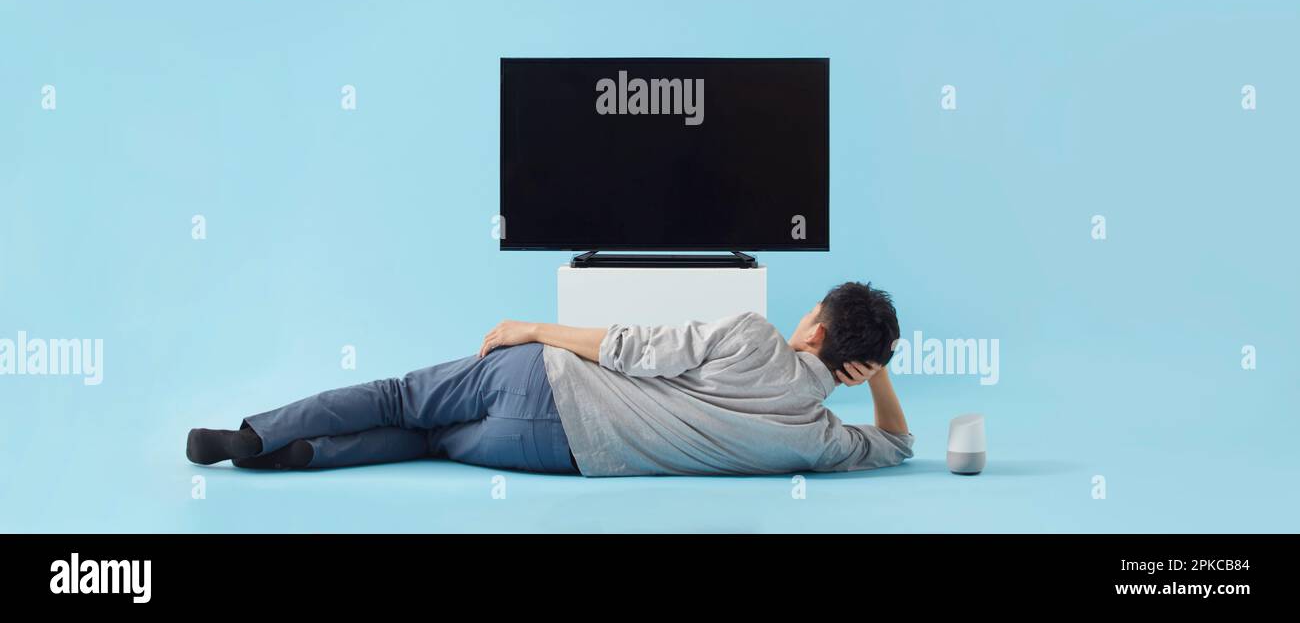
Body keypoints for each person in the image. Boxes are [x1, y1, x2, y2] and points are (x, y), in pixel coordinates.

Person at [186, 280, 913, 476]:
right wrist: (873, 380)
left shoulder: (754, 337)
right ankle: (303, 457)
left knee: (402, 398)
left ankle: (254, 435)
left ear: (814, 328)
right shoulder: (821, 443)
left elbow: (633, 346)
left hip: (544, 380)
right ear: (855, 366)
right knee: (428, 441)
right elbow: (900, 446)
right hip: (561, 456)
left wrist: (531, 327)